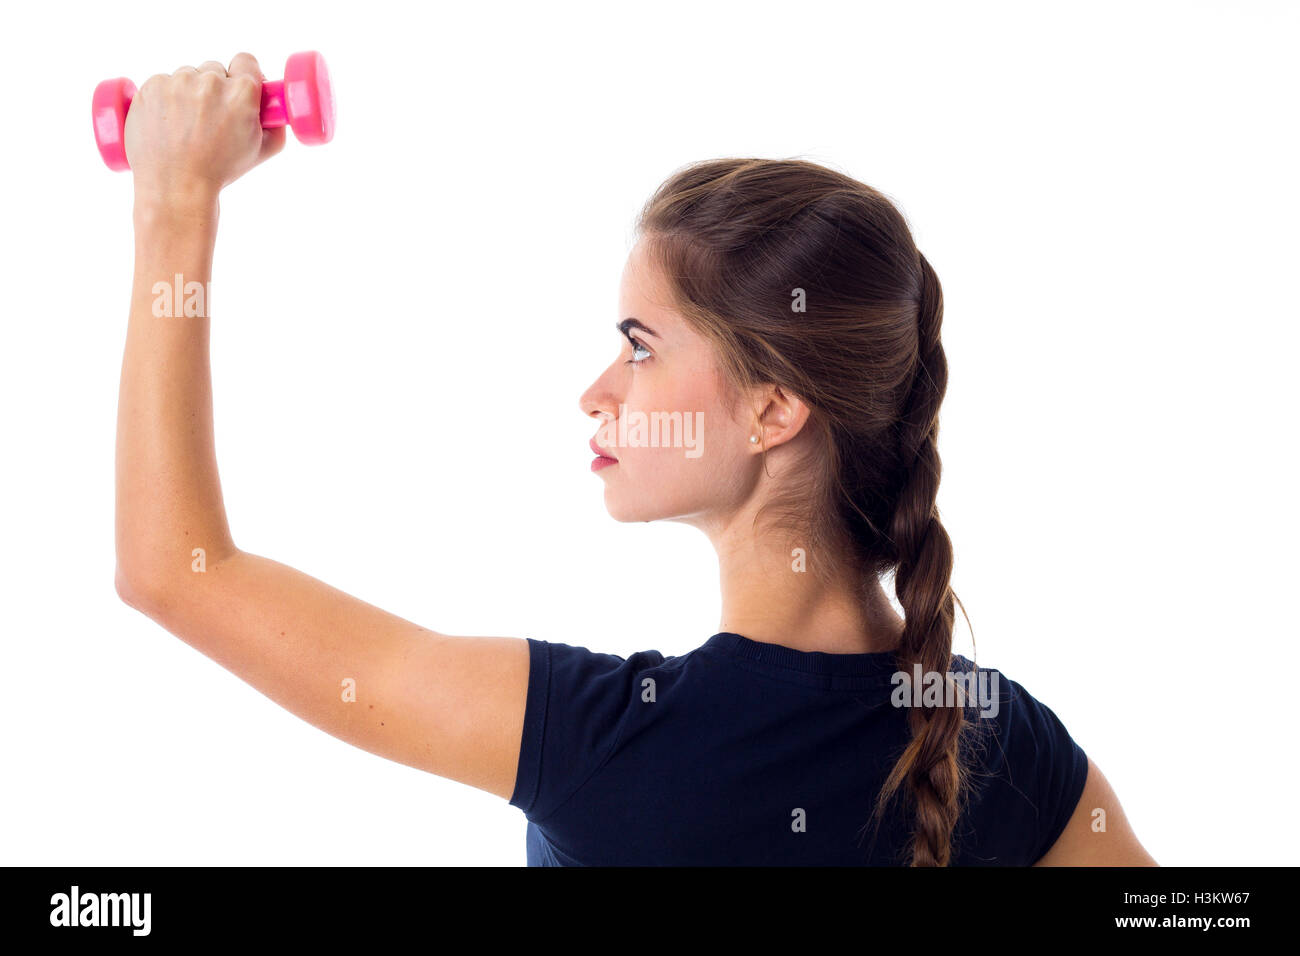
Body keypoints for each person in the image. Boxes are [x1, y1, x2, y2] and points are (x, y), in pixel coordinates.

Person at [114, 52, 1156, 866]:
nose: (597, 391)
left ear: (773, 407)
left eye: (639, 345)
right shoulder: (1005, 740)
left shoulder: (595, 741)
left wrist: (175, 205)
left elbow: (173, 569)